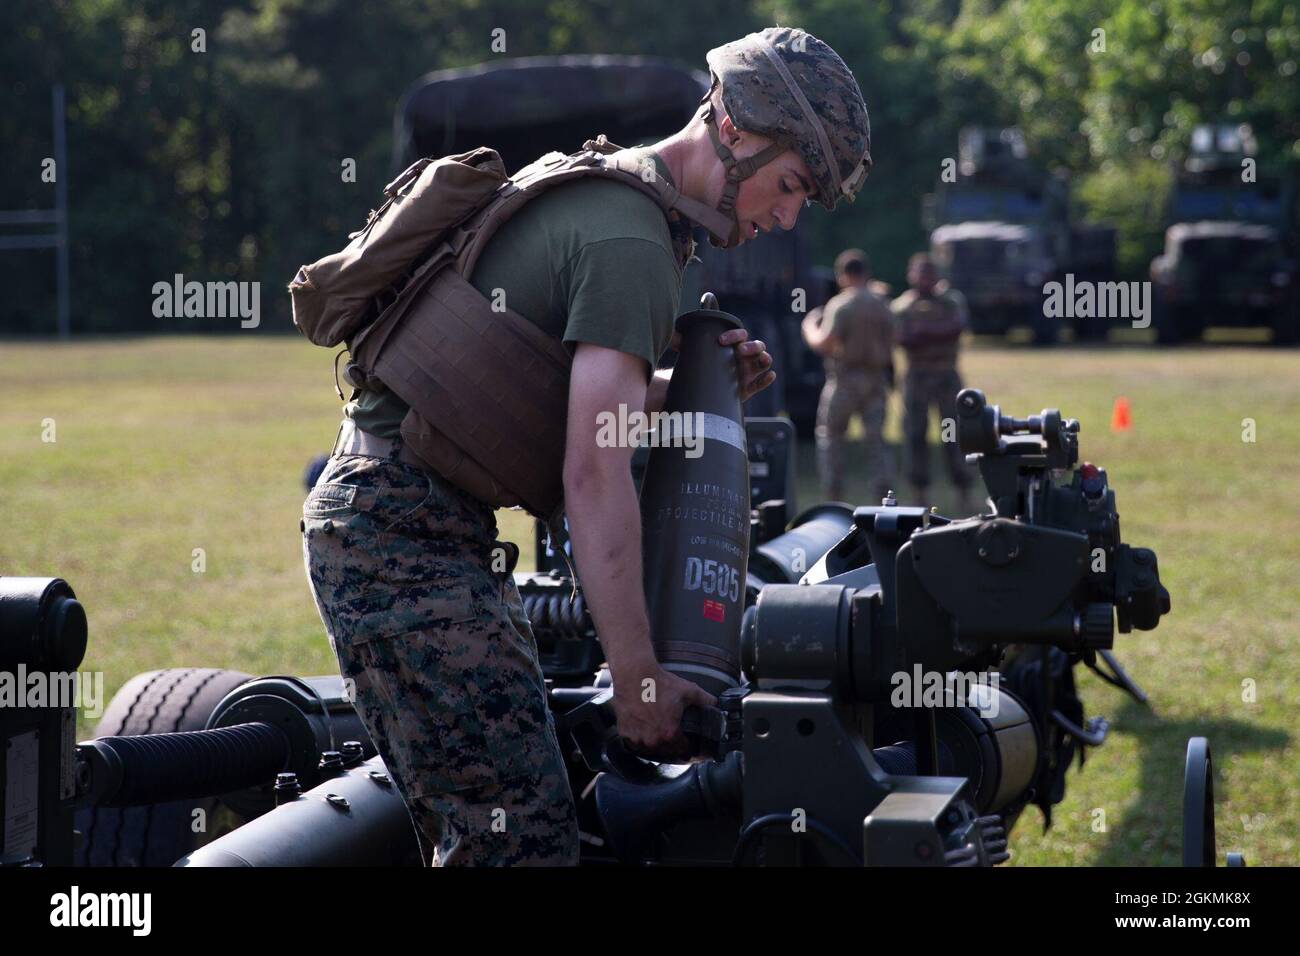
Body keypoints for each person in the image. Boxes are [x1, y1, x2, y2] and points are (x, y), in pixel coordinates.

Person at [301, 26, 872, 866]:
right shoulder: (631, 241)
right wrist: (638, 677)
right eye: (789, 185)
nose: (786, 217)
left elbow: (570, 396)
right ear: (737, 132)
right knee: (517, 844)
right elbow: (593, 470)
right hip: (399, 536)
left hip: (413, 527)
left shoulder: (622, 204)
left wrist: (694, 389)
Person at [801, 249, 896, 501]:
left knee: (830, 437)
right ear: (866, 273)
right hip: (876, 380)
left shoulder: (840, 304)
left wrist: (809, 326)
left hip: (844, 381)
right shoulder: (882, 303)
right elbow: (894, 340)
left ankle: (834, 495)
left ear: (842, 275)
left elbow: (824, 343)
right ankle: (883, 496)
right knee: (877, 441)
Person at [892, 252, 975, 511]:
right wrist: (935, 332)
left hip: (946, 376)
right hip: (917, 376)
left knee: (955, 434)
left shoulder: (951, 300)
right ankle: (919, 493)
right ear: (911, 276)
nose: (925, 279)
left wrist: (923, 332)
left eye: (929, 274)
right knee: (915, 434)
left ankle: (964, 490)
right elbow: (902, 338)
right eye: (920, 274)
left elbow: (956, 327)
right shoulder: (903, 306)